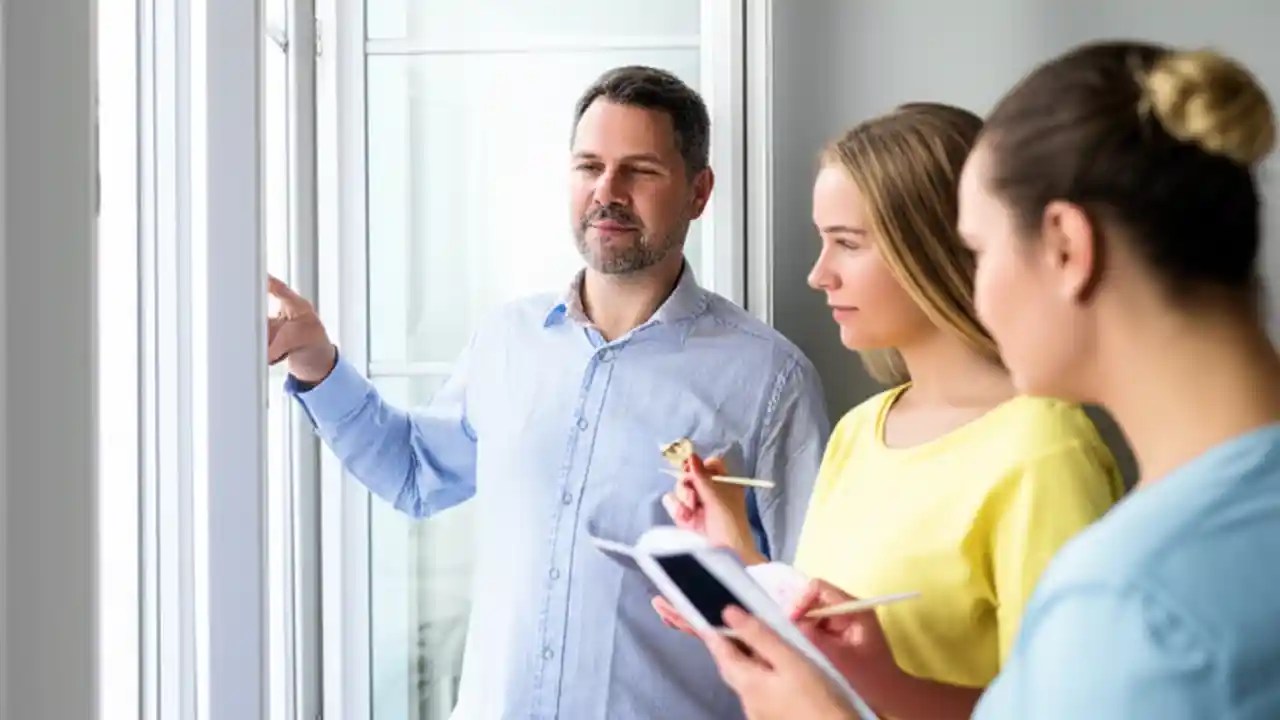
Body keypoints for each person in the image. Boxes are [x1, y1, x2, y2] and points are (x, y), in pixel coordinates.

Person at [698, 41, 1280, 720]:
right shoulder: (1205, 542)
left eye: (977, 249)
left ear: (1067, 246)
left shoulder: (1130, 593)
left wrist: (817, 712)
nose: (974, 283)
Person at [266, 65, 830, 719]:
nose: (607, 192)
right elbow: (416, 474)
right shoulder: (508, 340)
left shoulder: (769, 379)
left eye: (640, 170)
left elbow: (805, 608)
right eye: (589, 166)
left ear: (698, 192)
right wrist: (316, 363)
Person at [655, 103, 1123, 719]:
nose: (819, 275)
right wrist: (738, 559)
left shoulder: (1044, 451)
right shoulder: (859, 431)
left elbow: (1069, 711)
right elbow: (832, 656)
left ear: (931, 248)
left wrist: (885, 682)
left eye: (846, 244)